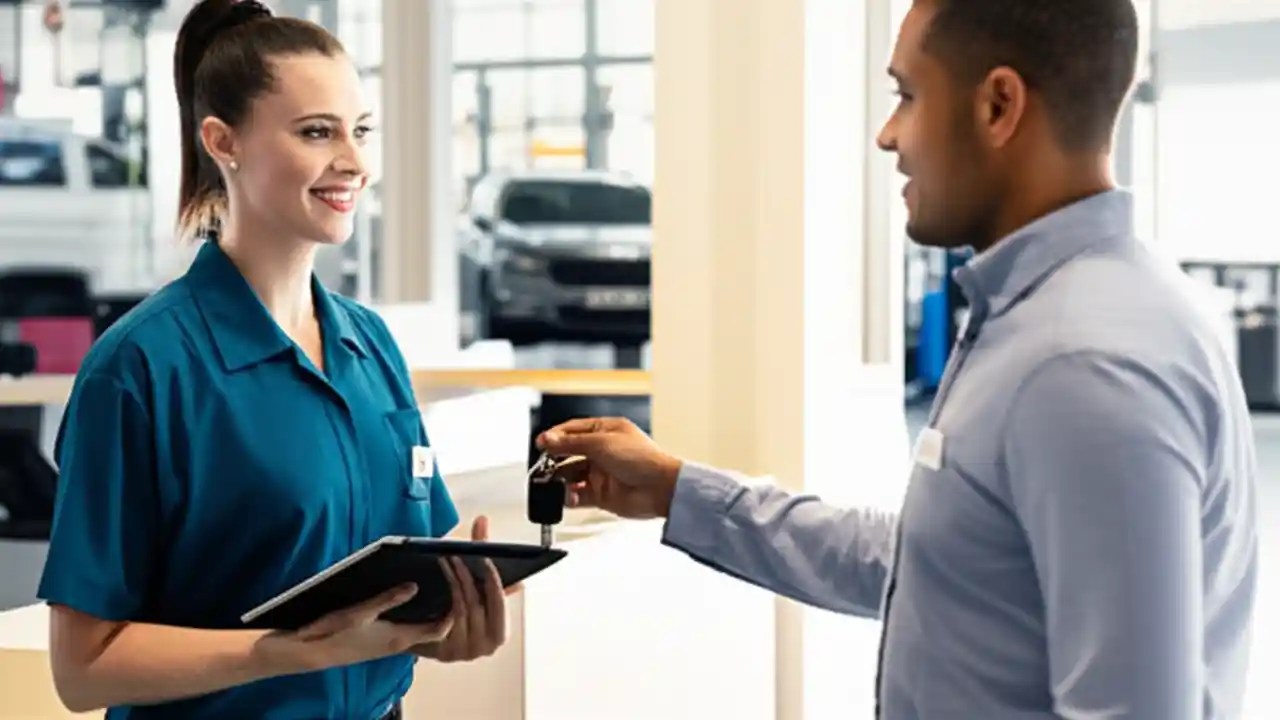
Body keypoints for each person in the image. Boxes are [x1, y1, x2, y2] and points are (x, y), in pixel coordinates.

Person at [538, 1, 1259, 718]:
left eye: (907, 96)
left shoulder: (1083, 365)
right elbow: (934, 563)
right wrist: (677, 491)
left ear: (998, 105)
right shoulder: (1053, 319)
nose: (889, 137)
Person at [36, 2, 511, 718]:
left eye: (360, 131)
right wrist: (276, 654)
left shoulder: (369, 345)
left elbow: (383, 607)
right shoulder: (140, 370)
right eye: (317, 132)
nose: (352, 161)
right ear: (222, 142)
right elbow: (83, 667)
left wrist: (444, 626)